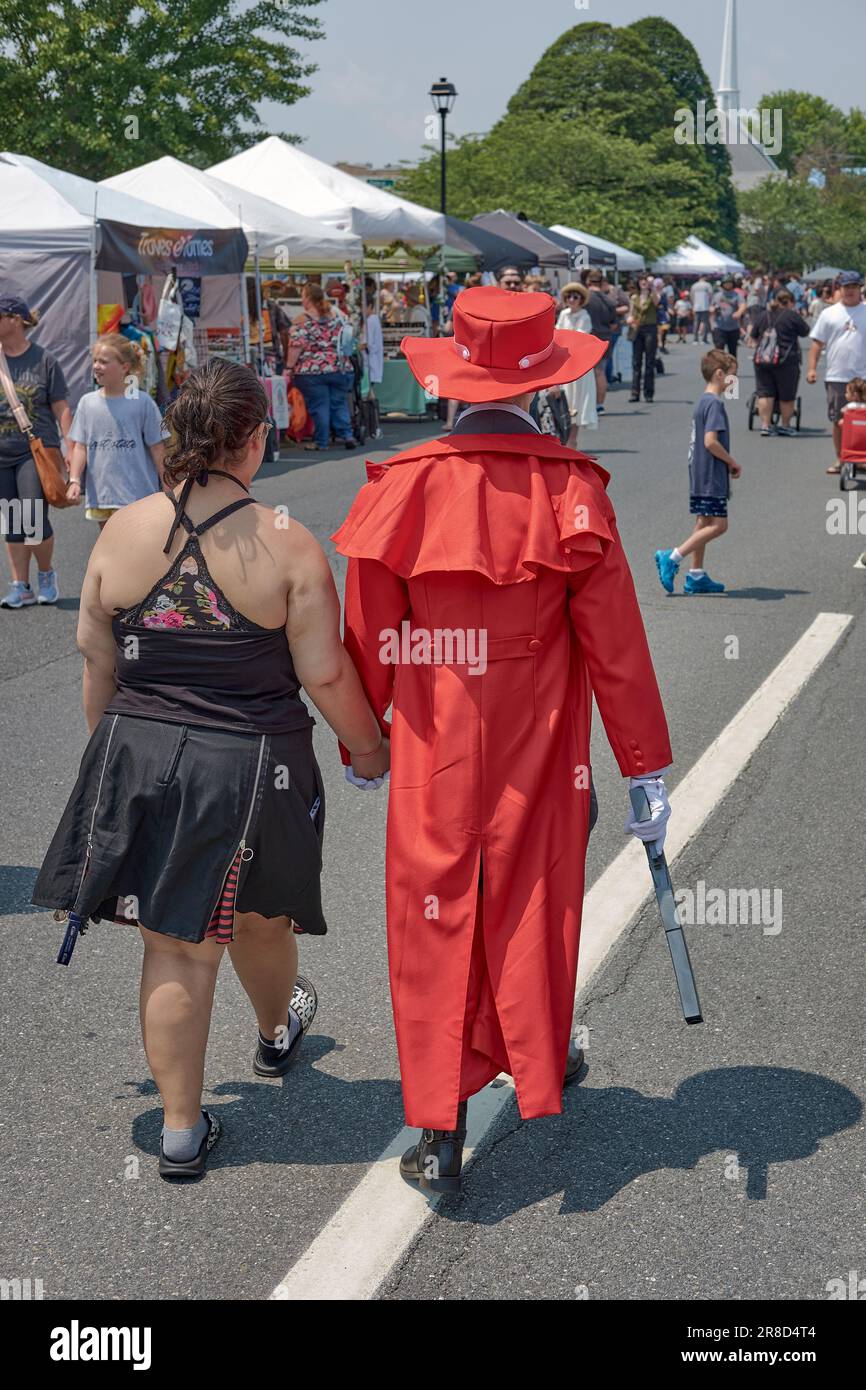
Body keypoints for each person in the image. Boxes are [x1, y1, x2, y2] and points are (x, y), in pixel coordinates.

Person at [331, 286, 673, 1191]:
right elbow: (617, 647)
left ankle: (439, 1126)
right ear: (545, 383)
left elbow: (368, 639)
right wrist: (643, 766)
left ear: (452, 377)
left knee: (433, 914)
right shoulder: (573, 489)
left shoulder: (402, 487)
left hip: (433, 741)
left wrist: (363, 746)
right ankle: (537, 1055)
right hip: (542, 740)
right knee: (534, 902)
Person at [33, 357, 389, 1180]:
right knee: (263, 917)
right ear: (254, 440)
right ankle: (275, 1032)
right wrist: (370, 750)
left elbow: (97, 662)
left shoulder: (120, 530)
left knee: (175, 947)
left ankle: (182, 1132)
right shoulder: (287, 541)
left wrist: (112, 765)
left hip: (140, 746)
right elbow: (325, 674)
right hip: (253, 762)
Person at [0, 294, 74, 608]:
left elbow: (62, 408)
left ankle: (46, 574)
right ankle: (20, 585)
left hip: (36, 450)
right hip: (1, 453)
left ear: (15, 319)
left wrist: (71, 446)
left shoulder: (44, 360)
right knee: (11, 519)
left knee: (30, 514)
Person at [655, 349, 740, 596]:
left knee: (703, 522)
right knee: (720, 525)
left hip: (699, 473)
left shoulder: (702, 401)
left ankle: (696, 575)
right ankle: (671, 557)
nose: (734, 382)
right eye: (732, 377)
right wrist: (732, 462)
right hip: (712, 475)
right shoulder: (714, 405)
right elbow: (711, 441)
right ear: (719, 374)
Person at [67, 334, 168, 533]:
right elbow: (81, 446)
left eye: (103, 362)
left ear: (125, 367)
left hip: (138, 495)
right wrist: (74, 480)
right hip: (102, 496)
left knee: (138, 549)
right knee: (110, 549)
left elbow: (158, 448)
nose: (96, 366)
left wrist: (168, 486)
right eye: (95, 361)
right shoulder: (87, 403)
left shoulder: (142, 402)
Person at [807, 270, 866, 474]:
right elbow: (816, 344)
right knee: (839, 421)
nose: (850, 291)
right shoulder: (829, 314)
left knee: (863, 420)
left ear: (860, 289)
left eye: (853, 287)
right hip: (837, 375)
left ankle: (861, 458)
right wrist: (812, 368)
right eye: (846, 287)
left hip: (863, 376)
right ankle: (841, 458)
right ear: (840, 289)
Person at [286, 284, 358, 452]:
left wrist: (289, 367)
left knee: (319, 406)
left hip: (312, 371)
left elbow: (296, 346)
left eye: (303, 296)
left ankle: (321, 441)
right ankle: (347, 435)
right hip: (339, 367)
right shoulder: (336, 316)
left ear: (308, 298)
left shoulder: (301, 321)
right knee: (338, 403)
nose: (302, 300)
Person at [749, 289, 810, 437]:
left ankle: (765, 425)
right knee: (787, 395)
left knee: (764, 392)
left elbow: (754, 335)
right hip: (786, 360)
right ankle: (785, 425)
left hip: (763, 360)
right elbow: (805, 331)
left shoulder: (764, 315)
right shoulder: (792, 316)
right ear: (790, 302)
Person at [556, 282, 598, 446]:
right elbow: (558, 334)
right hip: (564, 362)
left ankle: (573, 439)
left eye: (575, 297)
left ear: (581, 300)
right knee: (564, 400)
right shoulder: (564, 314)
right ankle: (564, 437)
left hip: (579, 363)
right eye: (569, 296)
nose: (572, 299)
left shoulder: (584, 316)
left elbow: (579, 338)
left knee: (577, 400)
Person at [582, 269, 616, 412]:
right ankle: (600, 404)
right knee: (600, 371)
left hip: (589, 337)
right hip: (605, 337)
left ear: (588, 281)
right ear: (601, 282)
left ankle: (586, 404)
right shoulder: (609, 300)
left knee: (587, 373)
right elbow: (614, 324)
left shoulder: (585, 298)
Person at [627, 275, 660, 403]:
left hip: (650, 328)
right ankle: (635, 393)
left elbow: (657, 302)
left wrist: (652, 288)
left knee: (649, 362)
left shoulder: (652, 296)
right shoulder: (634, 297)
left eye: (646, 281)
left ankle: (649, 393)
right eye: (642, 281)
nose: (644, 283)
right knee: (636, 362)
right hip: (637, 328)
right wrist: (629, 319)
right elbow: (631, 313)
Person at [710, 275, 746, 357]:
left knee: (732, 352)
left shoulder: (737, 295)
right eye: (726, 283)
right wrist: (712, 309)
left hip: (733, 327)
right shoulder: (717, 295)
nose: (728, 285)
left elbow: (743, 305)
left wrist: (739, 312)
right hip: (719, 326)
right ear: (722, 284)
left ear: (733, 284)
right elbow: (712, 306)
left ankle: (731, 369)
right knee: (719, 350)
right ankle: (719, 368)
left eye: (729, 283)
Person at [690, 275, 712, 343]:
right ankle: (704, 339)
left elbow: (691, 296)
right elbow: (710, 295)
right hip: (705, 306)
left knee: (696, 323)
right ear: (704, 277)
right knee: (705, 323)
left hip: (696, 306)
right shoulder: (707, 285)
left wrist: (693, 305)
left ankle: (695, 339)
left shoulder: (694, 285)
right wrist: (710, 303)